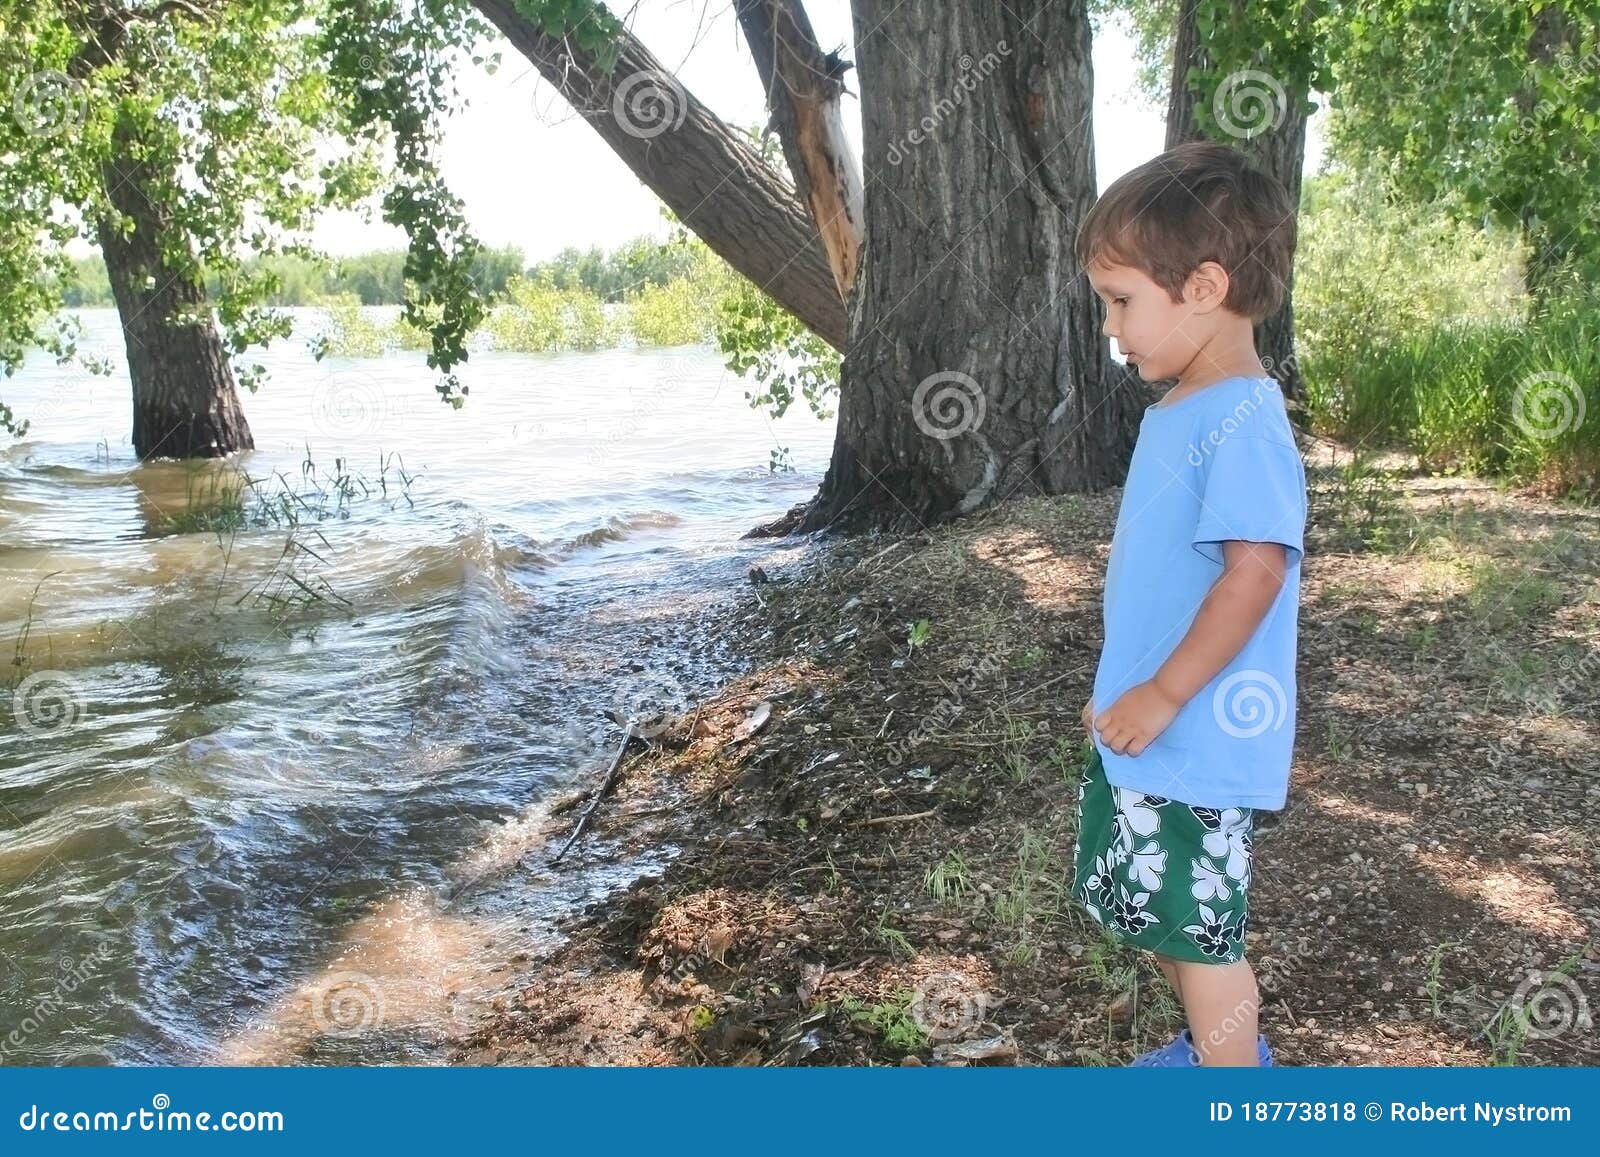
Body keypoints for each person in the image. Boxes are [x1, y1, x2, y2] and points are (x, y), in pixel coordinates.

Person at [1071, 140, 1307, 1067]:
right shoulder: (1189, 407)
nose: (1112, 326)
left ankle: (1236, 1090)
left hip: (1196, 736)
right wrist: (1128, 687)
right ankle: (1213, 1058)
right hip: (1155, 729)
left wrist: (1164, 695)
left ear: (1204, 287)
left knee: (1205, 940)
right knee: (1166, 921)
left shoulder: (1244, 419)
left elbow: (1254, 573)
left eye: (1122, 301)